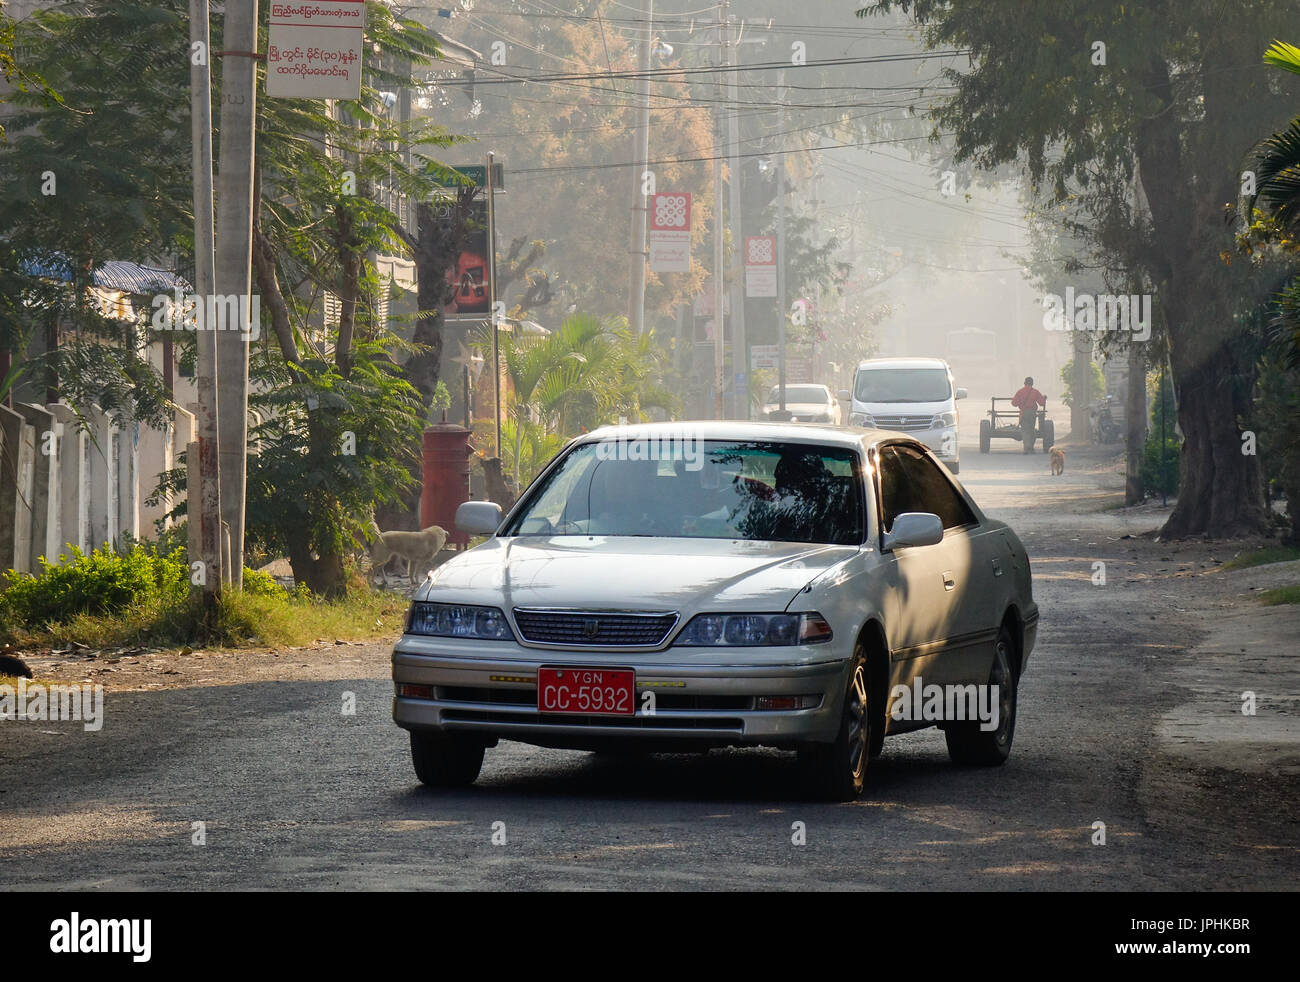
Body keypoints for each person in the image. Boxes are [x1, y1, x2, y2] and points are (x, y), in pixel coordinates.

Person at [1011, 376, 1046, 453]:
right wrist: (1044, 398)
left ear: (1024, 383)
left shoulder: (1020, 392)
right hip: (1032, 413)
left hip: (1023, 412)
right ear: (1032, 383)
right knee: (1031, 429)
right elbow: (1042, 403)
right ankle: (1031, 446)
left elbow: (1014, 403)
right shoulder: (1036, 392)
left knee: (1025, 430)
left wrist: (1020, 402)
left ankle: (1027, 446)